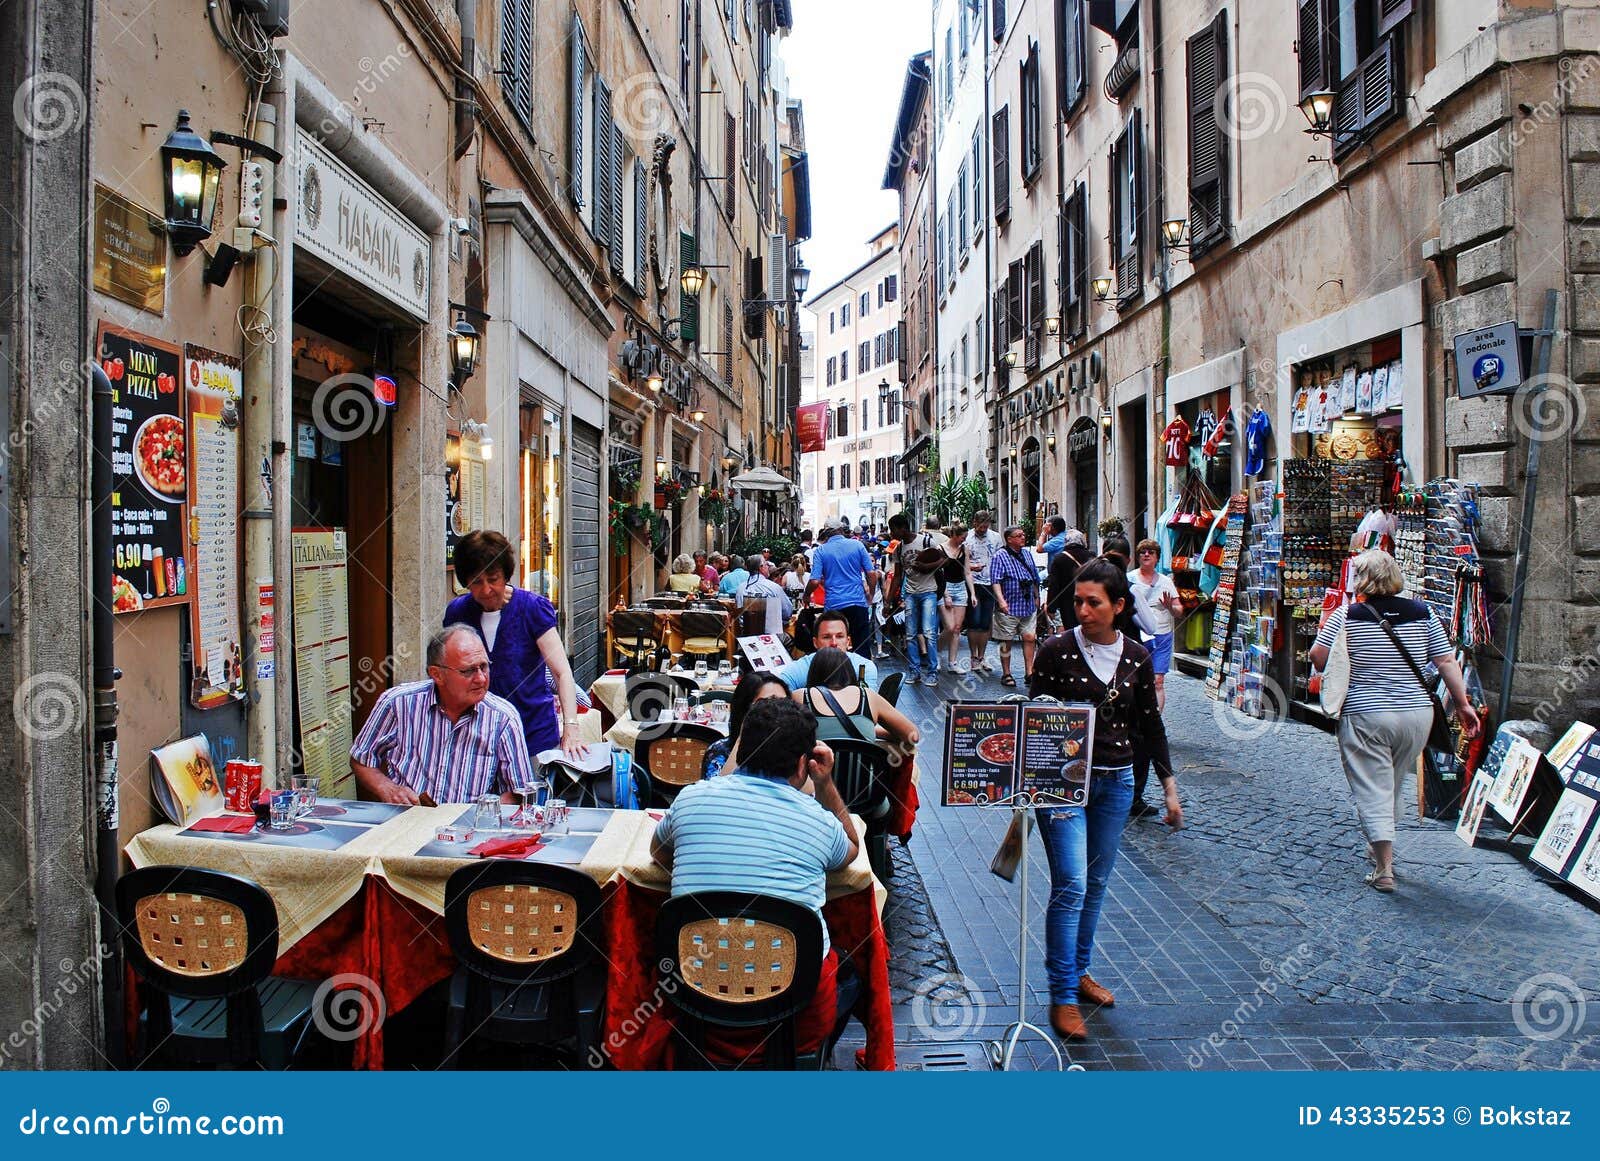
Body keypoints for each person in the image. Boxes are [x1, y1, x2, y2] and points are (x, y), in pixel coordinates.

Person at [650, 698, 861, 1061]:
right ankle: (809, 1062)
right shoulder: (819, 821)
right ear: (802, 764)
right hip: (794, 1011)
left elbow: (659, 853)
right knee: (851, 973)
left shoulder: (690, 799)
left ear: (741, 750)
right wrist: (825, 785)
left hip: (693, 996)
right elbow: (852, 849)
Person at [1029, 560, 1184, 1041]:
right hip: (1062, 784)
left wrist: (1168, 785)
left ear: (1118, 606)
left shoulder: (1137, 657)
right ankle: (1062, 996)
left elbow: (1149, 724)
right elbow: (1033, 715)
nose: (1082, 610)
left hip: (1115, 782)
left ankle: (1078, 971)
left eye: (1093, 602)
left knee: (1094, 884)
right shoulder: (1055, 651)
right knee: (1071, 884)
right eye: (1077, 601)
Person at [1309, 549, 1481, 893]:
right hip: (1416, 715)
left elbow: (1317, 659)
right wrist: (1462, 704)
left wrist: (1328, 630)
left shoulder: (1346, 615)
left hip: (1366, 714)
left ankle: (1384, 868)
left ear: (1361, 578)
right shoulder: (1423, 612)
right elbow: (1446, 661)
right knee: (1393, 779)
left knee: (1373, 786)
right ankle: (1378, 844)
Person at [444, 530, 587, 761]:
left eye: (493, 579)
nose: (486, 590)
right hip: (475, 738)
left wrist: (571, 727)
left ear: (506, 575)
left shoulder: (532, 608)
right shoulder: (457, 612)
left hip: (531, 735)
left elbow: (561, 673)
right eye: (476, 582)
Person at [351, 624, 535, 804]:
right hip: (407, 821)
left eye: (484, 667)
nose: (481, 678)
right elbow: (361, 758)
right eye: (468, 670)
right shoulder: (398, 703)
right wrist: (388, 789)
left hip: (469, 827)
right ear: (437, 674)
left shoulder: (503, 718)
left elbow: (522, 792)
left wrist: (478, 816)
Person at [798, 647, 920, 752]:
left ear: (813, 672)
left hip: (814, 777)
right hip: (863, 778)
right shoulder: (867, 696)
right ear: (849, 671)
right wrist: (870, 730)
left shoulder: (800, 696)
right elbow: (913, 736)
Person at [806, 516, 878, 654]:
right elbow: (871, 574)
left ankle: (837, 673)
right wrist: (871, 594)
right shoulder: (857, 545)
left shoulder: (821, 551)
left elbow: (815, 581)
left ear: (826, 532)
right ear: (841, 530)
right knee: (861, 647)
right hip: (857, 602)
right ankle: (862, 674)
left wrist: (807, 595)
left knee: (835, 647)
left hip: (834, 604)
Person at [701, 672, 790, 779]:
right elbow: (717, 791)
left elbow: (808, 793)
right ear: (744, 709)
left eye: (784, 703)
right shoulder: (720, 752)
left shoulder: (792, 751)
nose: (778, 710)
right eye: (767, 704)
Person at [1127, 539, 1182, 710]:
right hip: (1138, 634)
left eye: (1150, 552)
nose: (1146, 555)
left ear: (1157, 557)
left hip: (1162, 634)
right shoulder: (1129, 579)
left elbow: (1179, 610)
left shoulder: (1165, 581)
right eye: (1142, 552)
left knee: (1158, 681)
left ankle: (1155, 722)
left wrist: (1170, 607)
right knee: (1135, 679)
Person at [898, 517, 949, 686]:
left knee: (929, 633)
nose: (892, 533)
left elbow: (944, 559)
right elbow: (899, 574)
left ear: (903, 528)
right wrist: (892, 598)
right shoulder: (898, 548)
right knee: (911, 633)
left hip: (928, 592)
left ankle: (932, 672)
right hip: (910, 593)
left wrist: (928, 567)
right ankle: (914, 671)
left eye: (894, 529)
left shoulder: (926, 540)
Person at [989, 525, 1041, 687]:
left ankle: (1029, 672)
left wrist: (1037, 596)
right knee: (1006, 639)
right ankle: (1007, 673)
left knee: (1030, 637)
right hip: (1009, 604)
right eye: (1019, 536)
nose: (1023, 537)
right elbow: (995, 581)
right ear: (1009, 539)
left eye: (1023, 535)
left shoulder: (1026, 554)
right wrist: (1001, 600)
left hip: (1027, 604)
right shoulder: (999, 556)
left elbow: (1034, 577)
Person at [776, 609, 880, 690]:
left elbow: (868, 705)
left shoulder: (864, 667)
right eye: (826, 637)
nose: (834, 643)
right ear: (815, 642)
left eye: (839, 636)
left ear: (848, 641)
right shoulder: (800, 668)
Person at [964, 510, 1005, 674]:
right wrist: (972, 567)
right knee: (974, 621)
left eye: (986, 525)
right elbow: (961, 562)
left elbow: (1000, 558)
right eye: (980, 526)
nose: (983, 529)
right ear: (974, 523)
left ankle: (982, 656)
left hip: (991, 583)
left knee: (986, 622)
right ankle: (973, 657)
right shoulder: (966, 538)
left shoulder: (995, 537)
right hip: (973, 583)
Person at [938, 523, 976, 673]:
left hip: (960, 587)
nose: (963, 540)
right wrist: (946, 594)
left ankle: (952, 662)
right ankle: (937, 652)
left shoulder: (964, 549)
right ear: (953, 535)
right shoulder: (940, 549)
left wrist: (972, 593)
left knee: (957, 628)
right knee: (949, 626)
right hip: (945, 586)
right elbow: (939, 574)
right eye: (962, 537)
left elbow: (967, 572)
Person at [1043, 530, 1094, 632]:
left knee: (1071, 629)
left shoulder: (1059, 559)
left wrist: (1051, 607)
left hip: (1067, 602)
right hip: (1089, 598)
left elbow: (1054, 585)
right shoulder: (1091, 556)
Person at [740, 553, 794, 636]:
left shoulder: (740, 588)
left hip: (746, 636)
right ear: (761, 567)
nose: (768, 567)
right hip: (771, 638)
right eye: (766, 564)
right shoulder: (773, 588)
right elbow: (787, 613)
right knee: (793, 638)